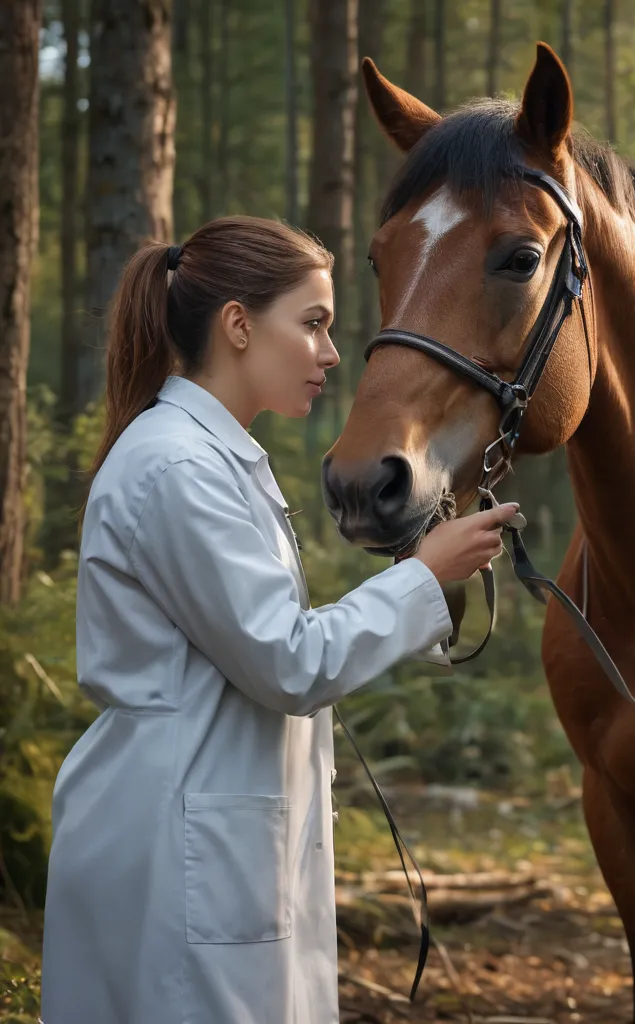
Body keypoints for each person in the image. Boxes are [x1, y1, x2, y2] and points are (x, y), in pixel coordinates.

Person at [39, 215, 519, 1024]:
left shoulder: (213, 459)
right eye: (313, 323)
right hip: (174, 853)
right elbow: (288, 662)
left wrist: (417, 576)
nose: (333, 354)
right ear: (236, 325)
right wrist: (424, 580)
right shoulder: (177, 466)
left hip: (209, 837)